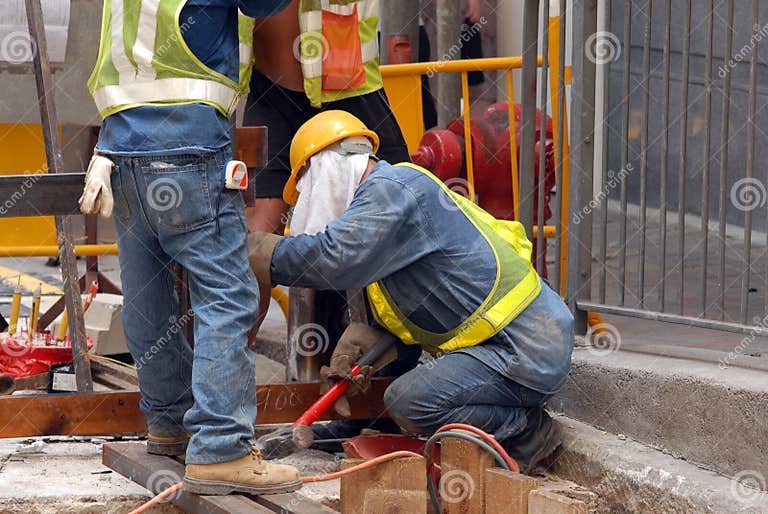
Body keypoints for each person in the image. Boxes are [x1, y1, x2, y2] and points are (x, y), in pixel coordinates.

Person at [248, 111, 575, 473]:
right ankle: (380, 423)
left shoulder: (391, 188)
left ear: (326, 168)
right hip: (510, 345)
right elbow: (410, 313)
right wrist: (368, 364)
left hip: (526, 349)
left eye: (307, 185)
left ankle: (526, 430)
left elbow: (333, 258)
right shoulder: (386, 203)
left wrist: (254, 250)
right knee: (399, 393)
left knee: (410, 401)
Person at [78, 0, 302, 495]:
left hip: (120, 150)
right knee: (227, 296)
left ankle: (170, 420)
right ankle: (222, 448)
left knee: (147, 295)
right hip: (189, 145)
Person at [243, 0, 410, 331]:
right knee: (254, 233)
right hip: (266, 91)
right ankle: (231, 364)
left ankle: (401, 348)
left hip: (347, 84)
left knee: (399, 210)